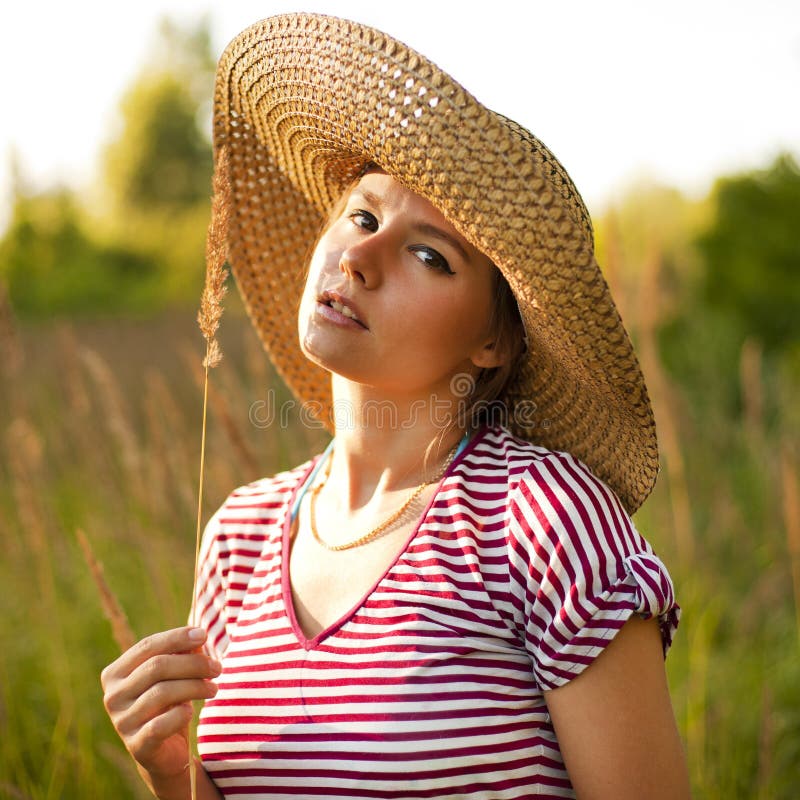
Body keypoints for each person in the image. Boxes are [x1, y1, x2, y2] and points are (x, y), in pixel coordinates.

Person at [101, 12, 691, 800]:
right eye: (362, 215)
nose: (362, 257)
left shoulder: (543, 518)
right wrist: (172, 776)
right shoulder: (238, 537)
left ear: (492, 342)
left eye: (428, 255)